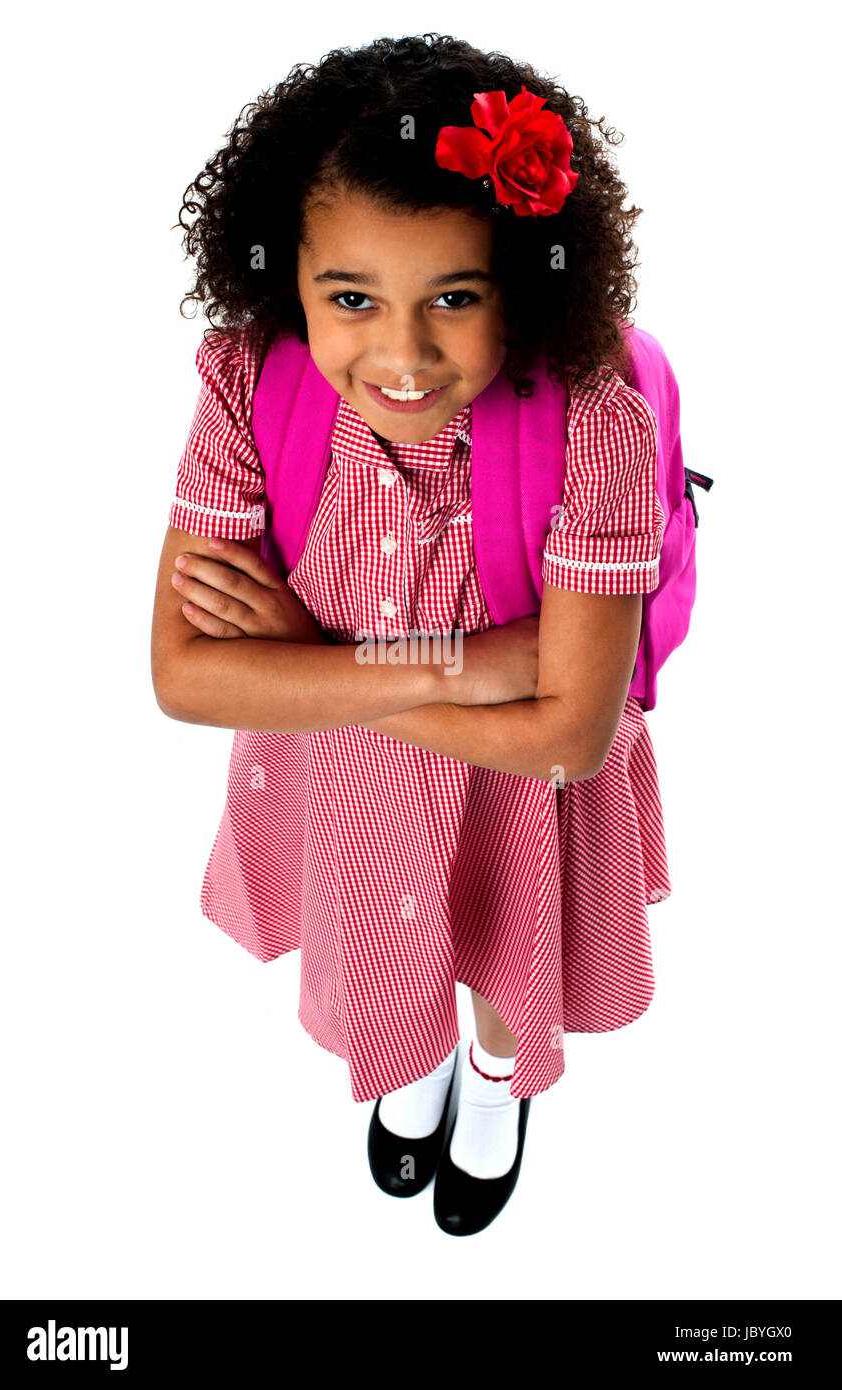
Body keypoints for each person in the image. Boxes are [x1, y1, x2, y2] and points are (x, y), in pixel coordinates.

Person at [150, 33, 671, 1236]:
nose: (400, 353)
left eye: (454, 297)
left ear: (520, 283)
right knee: (382, 945)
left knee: (500, 946)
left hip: (517, 792)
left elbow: (566, 741)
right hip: (381, 775)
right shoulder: (245, 381)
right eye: (351, 299)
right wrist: (473, 667)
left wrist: (303, 662)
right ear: (288, 278)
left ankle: (491, 1076)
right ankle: (418, 1061)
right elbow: (183, 675)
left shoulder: (593, 421)